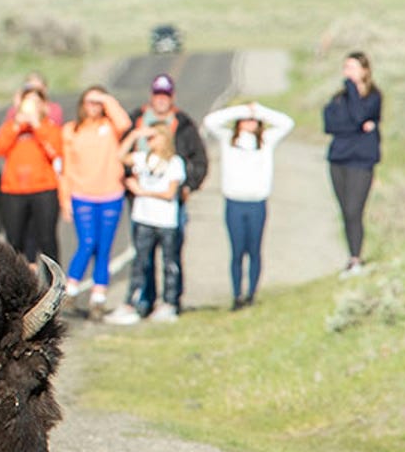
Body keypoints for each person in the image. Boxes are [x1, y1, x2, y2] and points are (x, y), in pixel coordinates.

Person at [203, 100, 295, 309]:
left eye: (253, 120)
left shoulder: (266, 141)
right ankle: (236, 294)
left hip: (257, 202)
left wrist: (260, 111)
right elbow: (211, 121)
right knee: (236, 252)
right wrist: (241, 110)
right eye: (245, 120)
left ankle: (251, 293)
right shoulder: (228, 140)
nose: (249, 122)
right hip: (234, 202)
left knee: (254, 250)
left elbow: (287, 123)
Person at [127, 74, 207, 312]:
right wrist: (129, 185)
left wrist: (188, 186)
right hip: (141, 200)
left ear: (172, 97)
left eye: (166, 95)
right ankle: (145, 300)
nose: (161, 100)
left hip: (170, 201)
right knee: (143, 255)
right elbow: (121, 153)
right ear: (152, 96)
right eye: (158, 95)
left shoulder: (182, 123)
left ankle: (172, 301)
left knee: (171, 255)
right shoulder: (138, 119)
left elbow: (199, 159)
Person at [57, 86, 132, 313]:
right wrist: (65, 199)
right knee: (87, 242)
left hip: (111, 194)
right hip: (82, 196)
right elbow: (65, 167)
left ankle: (98, 296)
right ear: (82, 105)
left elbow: (125, 124)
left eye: (98, 103)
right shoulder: (71, 130)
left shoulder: (110, 128)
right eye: (90, 102)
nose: (94, 107)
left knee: (104, 247)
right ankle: (70, 290)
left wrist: (108, 100)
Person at [106, 122, 187, 325]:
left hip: (166, 221)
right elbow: (119, 156)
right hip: (143, 219)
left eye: (154, 137)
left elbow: (170, 193)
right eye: (149, 138)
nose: (150, 141)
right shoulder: (143, 159)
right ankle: (132, 304)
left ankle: (169, 303)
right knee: (140, 263)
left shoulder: (175, 162)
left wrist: (142, 191)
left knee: (169, 263)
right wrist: (135, 135)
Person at [0, 86, 63, 266]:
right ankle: (19, 281)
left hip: (43, 189)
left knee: (47, 239)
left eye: (36, 102)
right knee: (14, 240)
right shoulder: (12, 127)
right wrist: (17, 124)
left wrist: (36, 124)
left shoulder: (49, 128)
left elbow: (56, 150)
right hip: (14, 190)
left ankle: (52, 280)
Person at [323, 51, 380, 277]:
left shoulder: (373, 96)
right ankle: (350, 256)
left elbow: (359, 115)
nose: (348, 73)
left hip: (361, 160)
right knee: (345, 210)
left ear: (365, 70)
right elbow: (330, 124)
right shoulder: (339, 97)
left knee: (354, 209)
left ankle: (356, 258)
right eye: (346, 68)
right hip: (338, 158)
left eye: (353, 68)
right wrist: (357, 127)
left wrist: (354, 93)